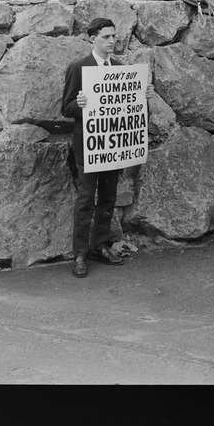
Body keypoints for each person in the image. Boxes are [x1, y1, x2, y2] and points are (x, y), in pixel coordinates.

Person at [61, 18, 153, 278]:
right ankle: (79, 254)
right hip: (90, 146)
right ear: (93, 38)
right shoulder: (79, 68)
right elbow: (65, 107)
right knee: (86, 199)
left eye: (114, 36)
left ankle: (99, 246)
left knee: (108, 198)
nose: (112, 41)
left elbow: (132, 110)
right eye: (106, 37)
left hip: (113, 146)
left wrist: (142, 98)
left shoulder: (121, 70)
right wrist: (79, 104)